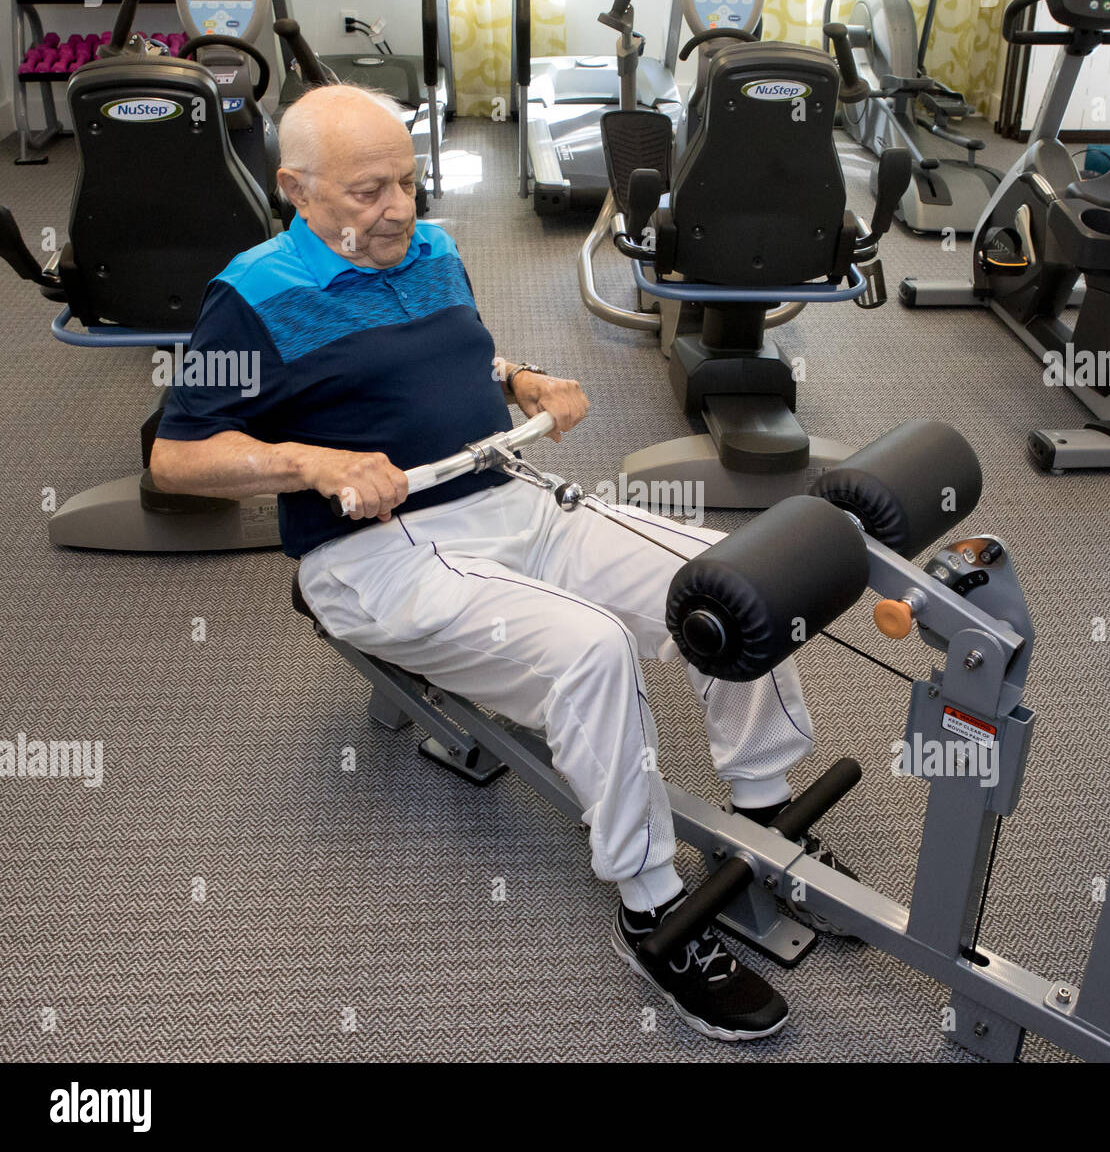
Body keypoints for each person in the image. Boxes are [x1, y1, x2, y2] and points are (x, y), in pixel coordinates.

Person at [150, 84, 854, 1042]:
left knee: (736, 579)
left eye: (406, 180)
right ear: (295, 190)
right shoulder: (249, 296)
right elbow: (174, 457)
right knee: (593, 651)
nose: (397, 208)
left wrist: (522, 378)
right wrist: (309, 461)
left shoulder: (430, 250)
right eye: (366, 194)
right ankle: (654, 909)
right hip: (375, 553)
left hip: (509, 494)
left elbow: (455, 356)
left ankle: (767, 817)